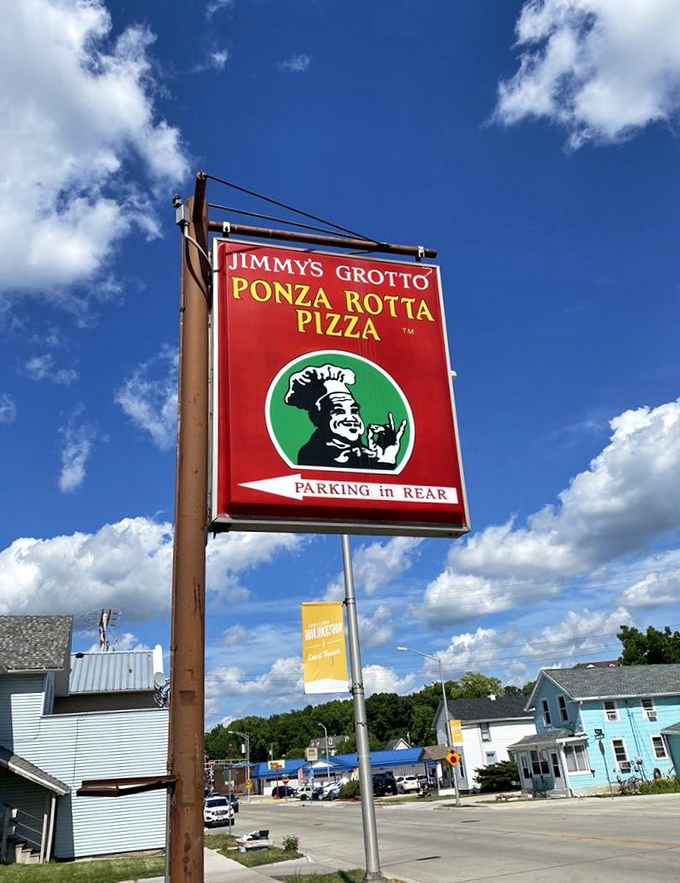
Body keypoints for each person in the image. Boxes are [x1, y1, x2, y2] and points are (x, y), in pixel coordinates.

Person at [284, 363, 406, 469]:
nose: (351, 418)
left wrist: (386, 461)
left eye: (354, 411)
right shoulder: (312, 454)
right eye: (339, 411)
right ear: (317, 417)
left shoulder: (367, 455)